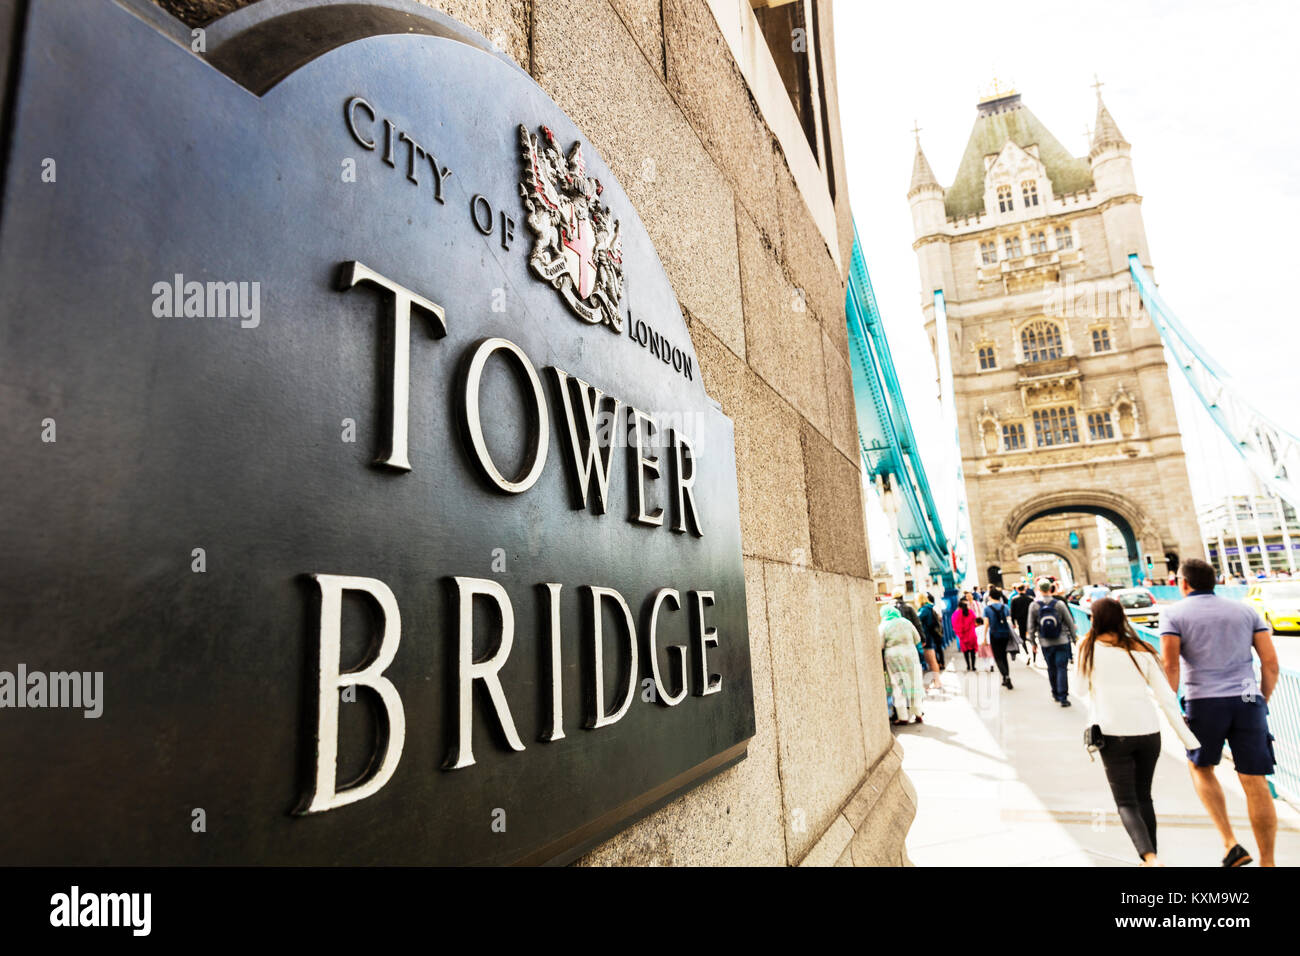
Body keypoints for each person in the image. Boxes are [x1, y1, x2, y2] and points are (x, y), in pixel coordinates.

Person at [1159, 558, 1280, 867]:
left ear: (1183, 583)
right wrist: (1260, 699)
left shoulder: (1173, 614)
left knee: (1201, 768)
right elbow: (1271, 664)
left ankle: (1230, 843)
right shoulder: (1245, 610)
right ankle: (1268, 862)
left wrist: (1170, 707)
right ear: (1213, 581)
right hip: (1247, 699)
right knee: (1255, 780)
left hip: (1204, 701)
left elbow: (1171, 666)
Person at [1080, 598, 1201, 866]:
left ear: (1095, 620)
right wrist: (1188, 739)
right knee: (1144, 796)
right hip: (1149, 733)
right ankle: (1150, 860)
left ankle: (1150, 857)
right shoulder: (1142, 650)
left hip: (1113, 734)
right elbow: (1167, 698)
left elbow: (1078, 689)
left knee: (1126, 802)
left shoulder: (1088, 649)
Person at [1028, 577, 1077, 705]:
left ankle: (1055, 692)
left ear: (1038, 589)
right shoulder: (1059, 604)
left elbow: (1031, 626)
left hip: (1045, 642)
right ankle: (1063, 697)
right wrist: (1074, 639)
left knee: (1051, 667)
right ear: (1050, 588)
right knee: (1062, 668)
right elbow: (1070, 622)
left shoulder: (1034, 606)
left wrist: (1033, 643)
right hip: (1061, 641)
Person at [880, 605, 924, 724]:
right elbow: (917, 638)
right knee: (914, 682)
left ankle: (903, 717)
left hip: (893, 656)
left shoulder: (884, 625)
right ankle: (918, 713)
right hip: (910, 654)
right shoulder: (906, 622)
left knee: (897, 685)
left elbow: (880, 644)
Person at [982, 587, 1015, 689]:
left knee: (997, 657)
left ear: (990, 597)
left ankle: (1005, 676)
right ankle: (1006, 678)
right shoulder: (1004, 607)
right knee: (1004, 656)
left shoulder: (987, 609)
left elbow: (986, 624)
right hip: (1005, 633)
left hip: (994, 634)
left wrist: (984, 638)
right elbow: (1009, 620)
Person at [917, 592, 945, 687]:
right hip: (930, 636)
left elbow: (917, 620)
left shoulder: (924, 610)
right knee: (932, 660)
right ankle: (936, 681)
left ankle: (937, 681)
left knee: (932, 660)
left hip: (927, 638)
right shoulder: (930, 608)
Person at [953, 592, 981, 671]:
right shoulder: (971, 612)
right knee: (972, 651)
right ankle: (973, 666)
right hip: (971, 634)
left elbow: (954, 625)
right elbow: (975, 622)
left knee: (965, 651)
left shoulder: (956, 614)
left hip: (962, 636)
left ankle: (968, 666)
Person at [1010, 583, 1035, 665]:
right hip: (1031, 621)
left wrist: (1013, 622)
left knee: (1022, 638)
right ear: (1025, 589)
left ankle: (1027, 653)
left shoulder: (1014, 599)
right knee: (1032, 638)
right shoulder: (1030, 599)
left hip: (1021, 622)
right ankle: (1034, 656)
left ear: (1017, 590)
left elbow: (1012, 613)